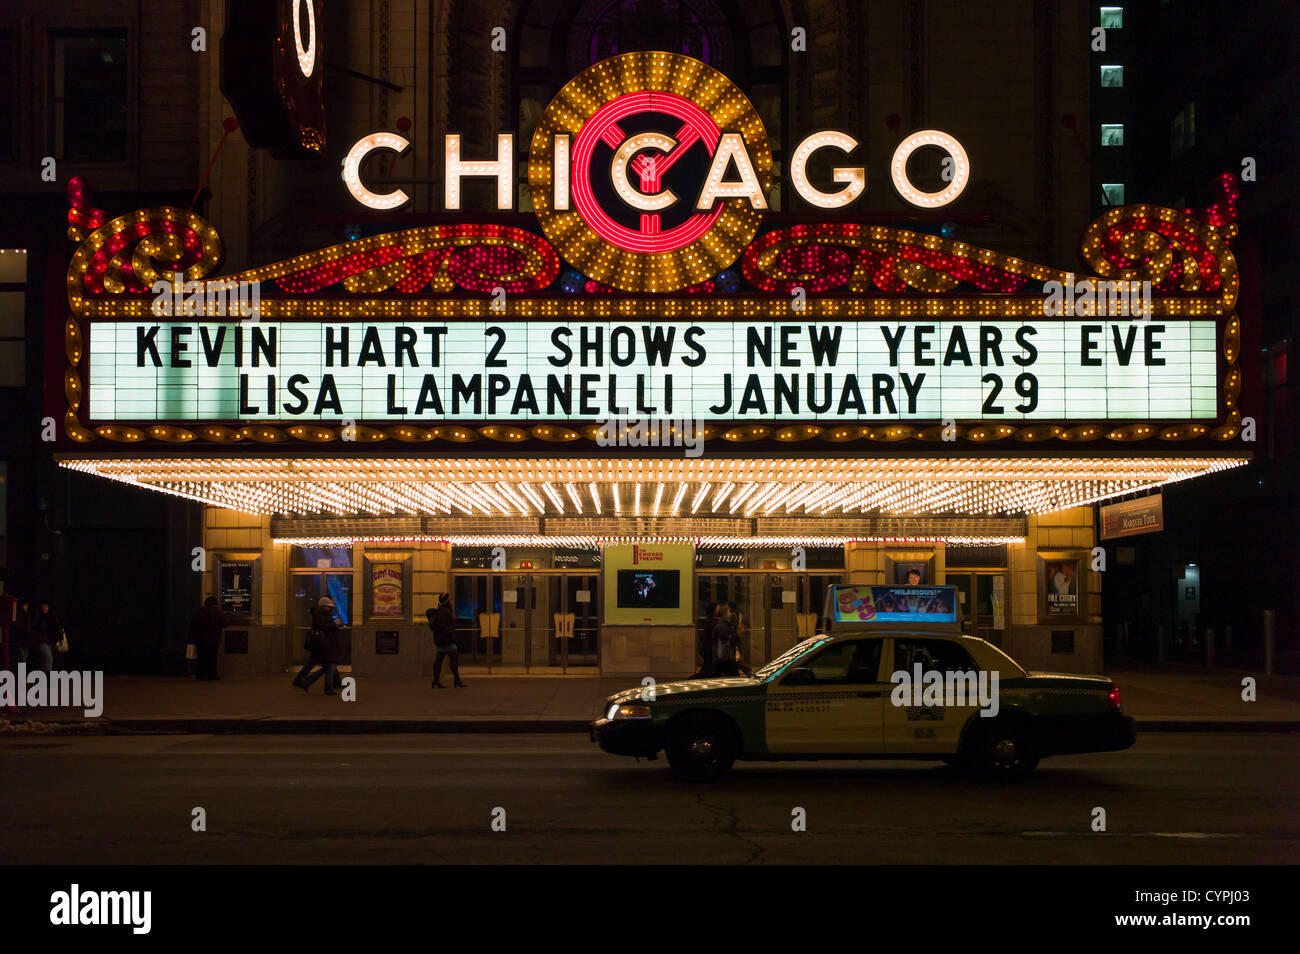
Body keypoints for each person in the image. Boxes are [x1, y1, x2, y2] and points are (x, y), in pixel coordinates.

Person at [293, 596, 341, 694]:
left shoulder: (320, 614)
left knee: (317, 663)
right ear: (324, 606)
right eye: (329, 606)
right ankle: (327, 687)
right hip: (324, 644)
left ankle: (302, 680)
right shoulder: (320, 614)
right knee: (329, 665)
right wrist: (335, 624)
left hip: (322, 644)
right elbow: (325, 626)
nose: (331, 608)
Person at [427, 592, 465, 689]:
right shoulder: (446, 611)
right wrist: (451, 634)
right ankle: (457, 680)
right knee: (453, 660)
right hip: (448, 640)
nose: (451, 601)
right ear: (447, 600)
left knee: (439, 661)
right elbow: (449, 625)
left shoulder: (439, 610)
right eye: (450, 599)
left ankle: (436, 681)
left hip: (440, 640)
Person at [190, 596, 226, 681]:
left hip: (200, 639)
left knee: (201, 657)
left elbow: (193, 625)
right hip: (214, 639)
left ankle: (200, 675)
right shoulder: (217, 612)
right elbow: (225, 623)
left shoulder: (199, 612)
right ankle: (212, 675)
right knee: (212, 658)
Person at [31, 603, 60, 673]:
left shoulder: (51, 617)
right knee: (48, 659)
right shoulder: (38, 617)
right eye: (43, 607)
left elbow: (56, 628)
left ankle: (42, 678)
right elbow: (34, 628)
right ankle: (46, 677)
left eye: (46, 607)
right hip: (41, 641)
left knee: (44, 661)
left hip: (50, 641)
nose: (45, 608)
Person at [8, 600, 32, 667]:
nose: (26, 607)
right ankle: (21, 676)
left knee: (23, 660)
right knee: (22, 660)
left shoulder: (27, 616)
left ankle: (20, 675)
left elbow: (28, 629)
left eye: (27, 605)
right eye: (25, 605)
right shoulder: (17, 616)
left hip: (26, 642)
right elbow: (18, 628)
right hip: (19, 642)